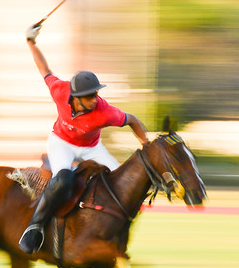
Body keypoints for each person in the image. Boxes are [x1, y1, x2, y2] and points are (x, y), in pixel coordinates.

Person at [18, 22, 150, 254]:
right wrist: (31, 42)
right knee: (63, 180)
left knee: (123, 183)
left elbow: (133, 119)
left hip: (91, 148)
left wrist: (146, 144)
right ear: (76, 97)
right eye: (90, 96)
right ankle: (35, 228)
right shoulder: (60, 91)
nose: (95, 99)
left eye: (96, 94)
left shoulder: (105, 111)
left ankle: (116, 231)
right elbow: (44, 69)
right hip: (61, 143)